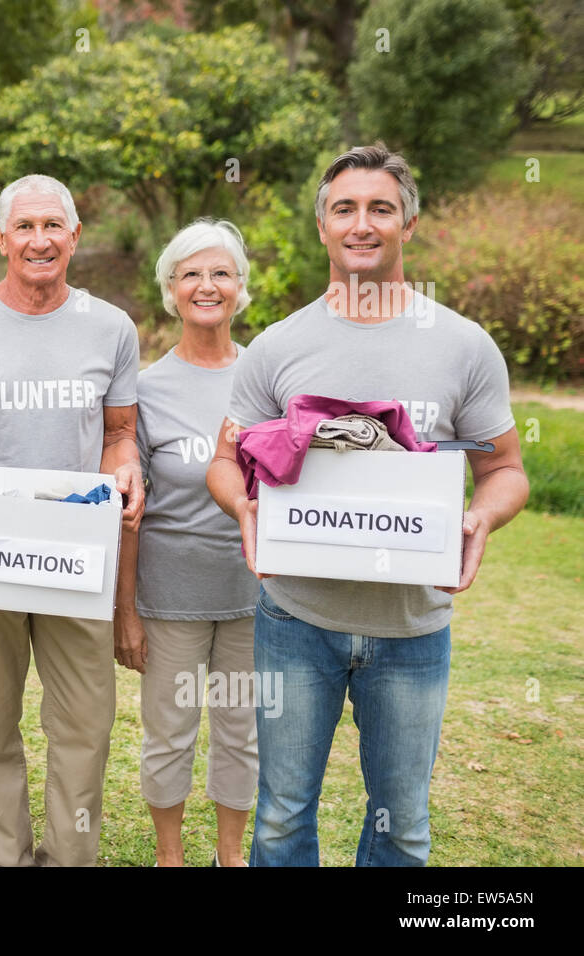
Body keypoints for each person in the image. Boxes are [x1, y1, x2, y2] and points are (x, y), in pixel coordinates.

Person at [207, 143, 529, 867]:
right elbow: (225, 462)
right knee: (282, 821)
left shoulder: (463, 346)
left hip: (413, 627)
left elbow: (505, 467)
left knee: (403, 829)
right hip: (296, 620)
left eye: (380, 208)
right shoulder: (277, 347)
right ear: (321, 227)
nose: (362, 223)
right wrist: (245, 508)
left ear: (407, 225)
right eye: (344, 208)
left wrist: (483, 514)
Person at [0, 174, 143, 867]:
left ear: (74, 237)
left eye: (53, 226)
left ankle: (73, 857)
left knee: (84, 723)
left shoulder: (111, 327)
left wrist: (124, 467)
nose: (39, 240)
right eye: (25, 227)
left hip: (78, 553)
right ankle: (6, 855)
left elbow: (120, 432)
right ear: (1, 238)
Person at [113, 219, 259, 867]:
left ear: (240, 288)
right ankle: (169, 856)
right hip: (169, 599)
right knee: (169, 735)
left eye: (221, 272)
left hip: (254, 596)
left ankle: (231, 857)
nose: (207, 285)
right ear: (171, 290)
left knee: (242, 736)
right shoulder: (146, 389)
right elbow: (129, 514)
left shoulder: (266, 378)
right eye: (191, 274)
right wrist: (126, 611)